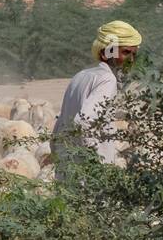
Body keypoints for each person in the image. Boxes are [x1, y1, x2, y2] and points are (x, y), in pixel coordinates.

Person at [51, 20, 143, 169]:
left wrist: (59, 161)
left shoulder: (81, 76)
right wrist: (95, 163)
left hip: (68, 171)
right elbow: (83, 122)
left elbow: (59, 126)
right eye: (125, 52)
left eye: (134, 54)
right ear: (106, 53)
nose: (131, 60)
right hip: (88, 177)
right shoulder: (107, 79)